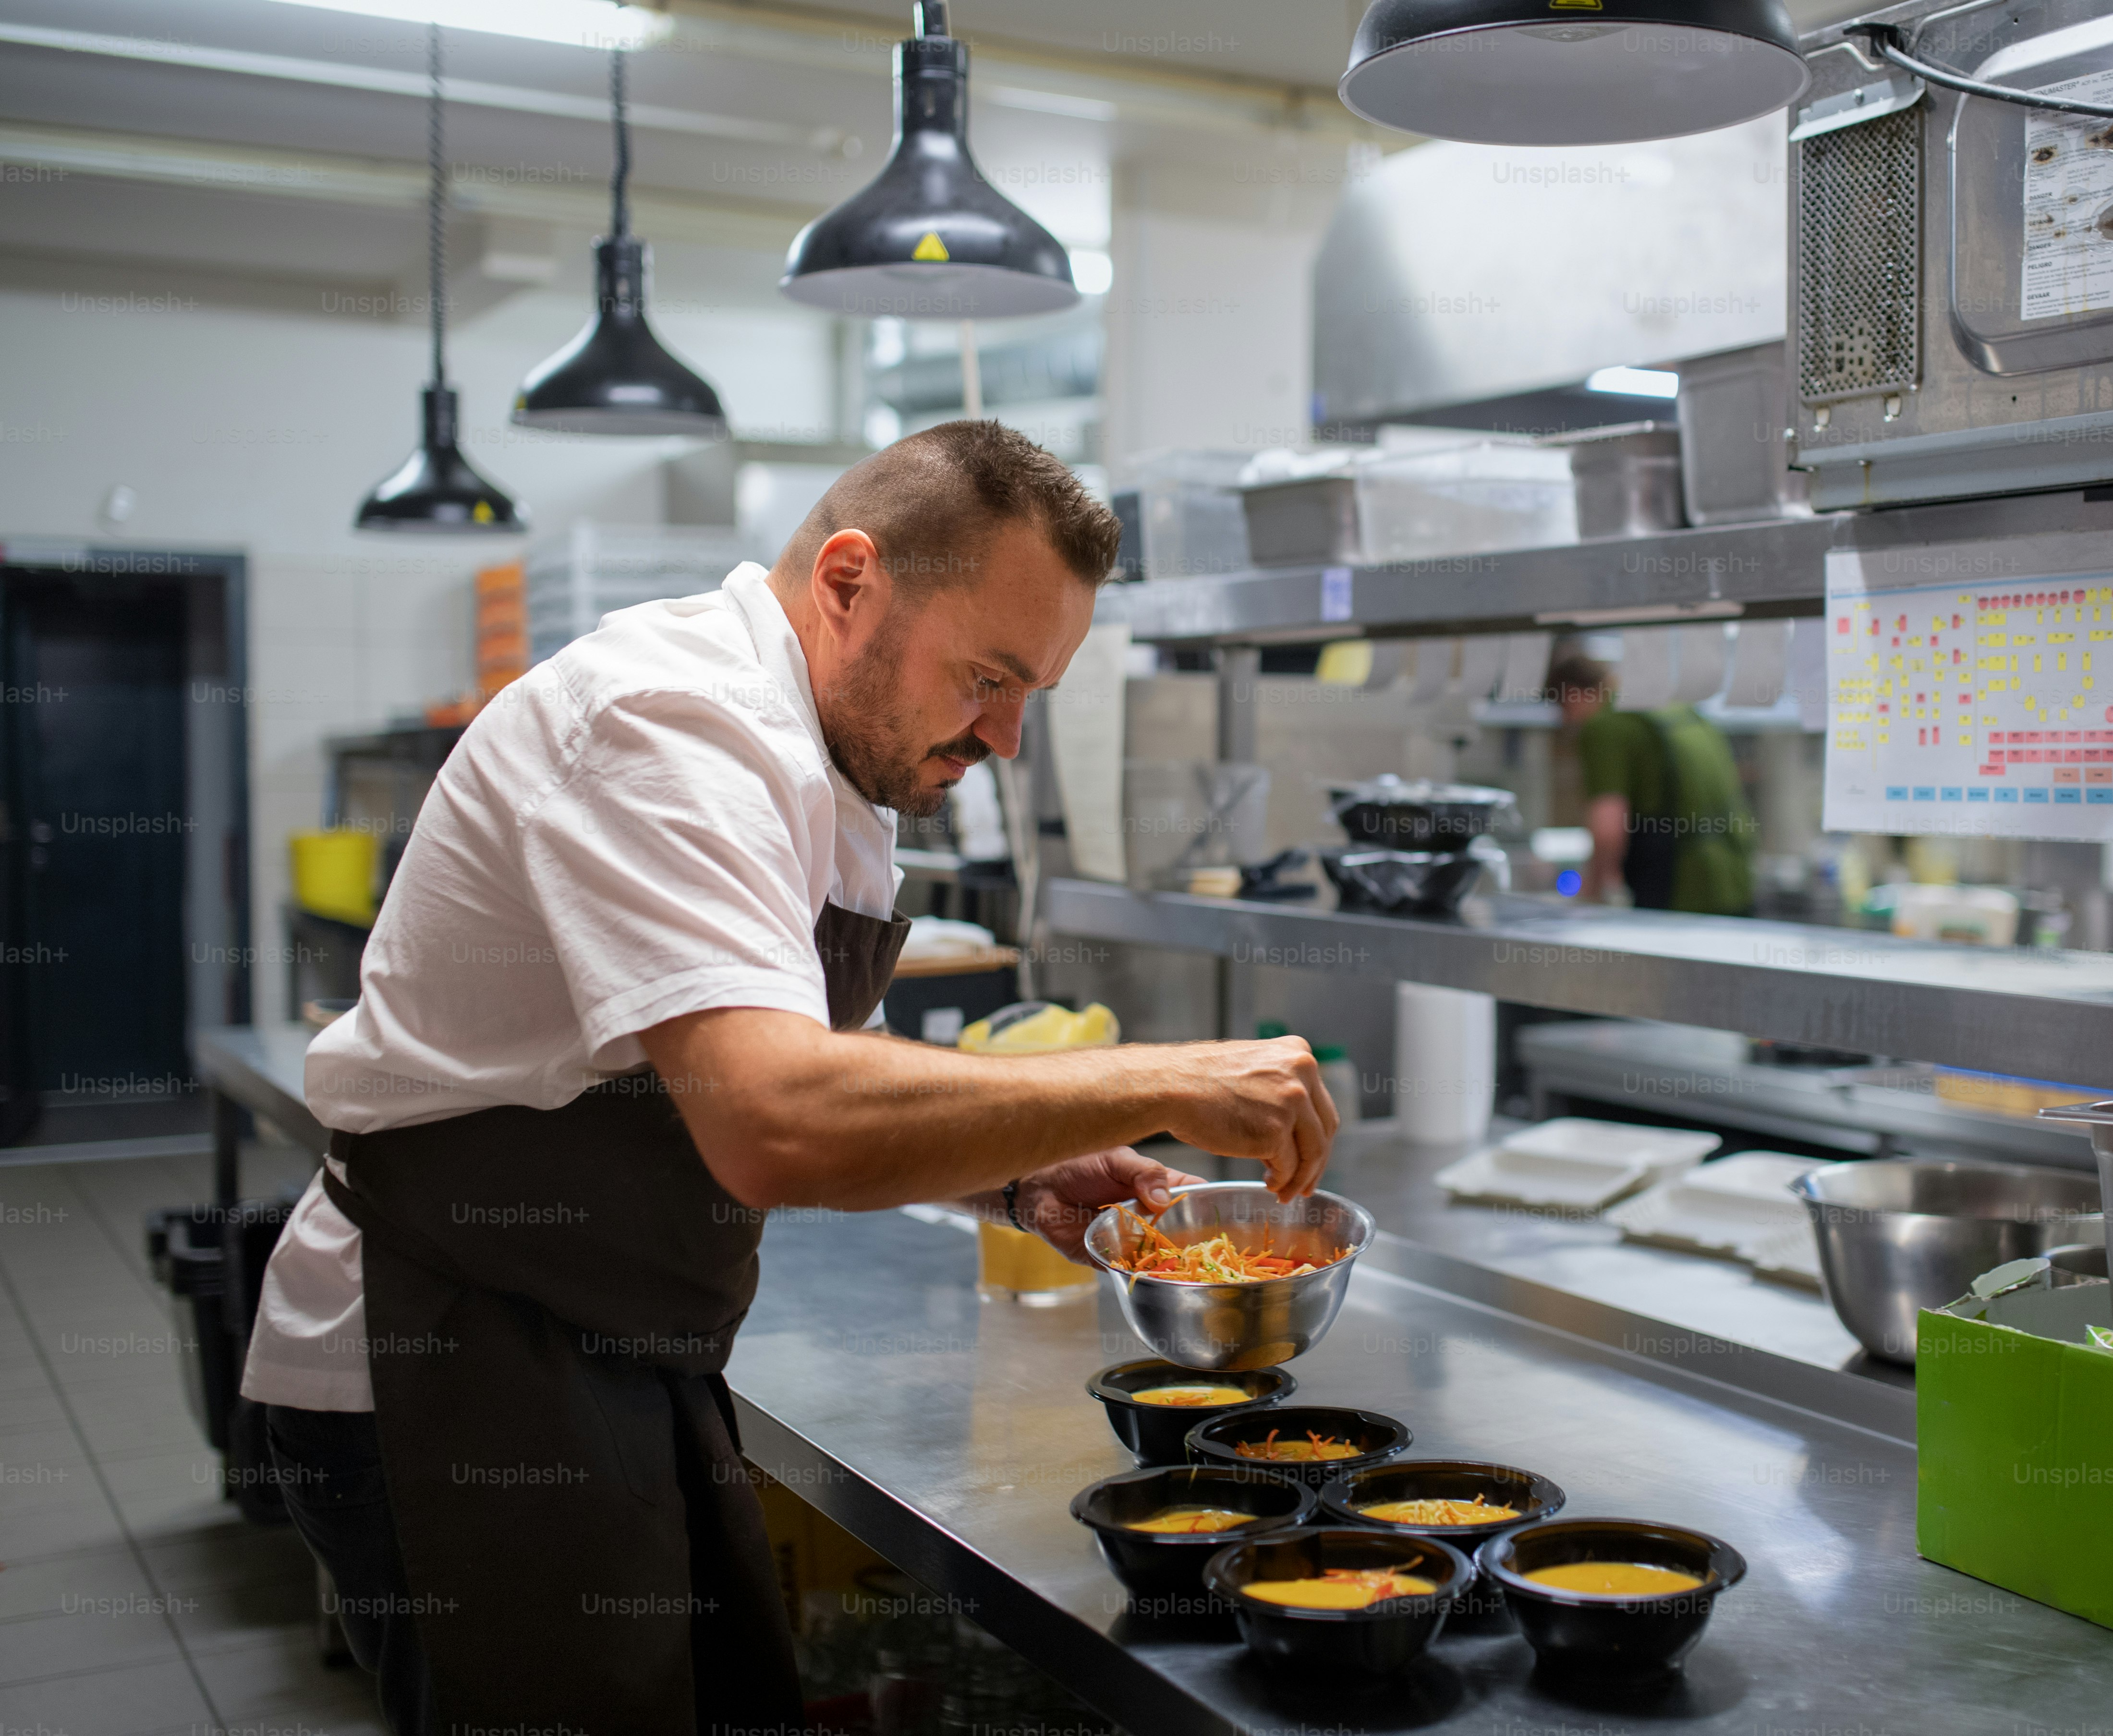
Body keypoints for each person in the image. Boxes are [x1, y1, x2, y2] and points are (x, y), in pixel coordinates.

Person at [240, 422, 1338, 1733]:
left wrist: (1020, 1159)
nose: (1000, 732)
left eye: (1028, 690)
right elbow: (771, 1115)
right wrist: (1162, 1075)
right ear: (845, 580)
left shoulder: (835, 744)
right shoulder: (668, 727)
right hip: (445, 1357)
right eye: (986, 674)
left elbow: (761, 1029)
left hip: (606, 1333)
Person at [1551, 652, 1756, 913]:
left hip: (1679, 889)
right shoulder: (1676, 708)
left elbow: (1608, 825)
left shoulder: (1606, 725)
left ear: (1573, 694)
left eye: (1563, 709)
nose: (1567, 721)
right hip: (1734, 879)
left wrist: (1591, 895)